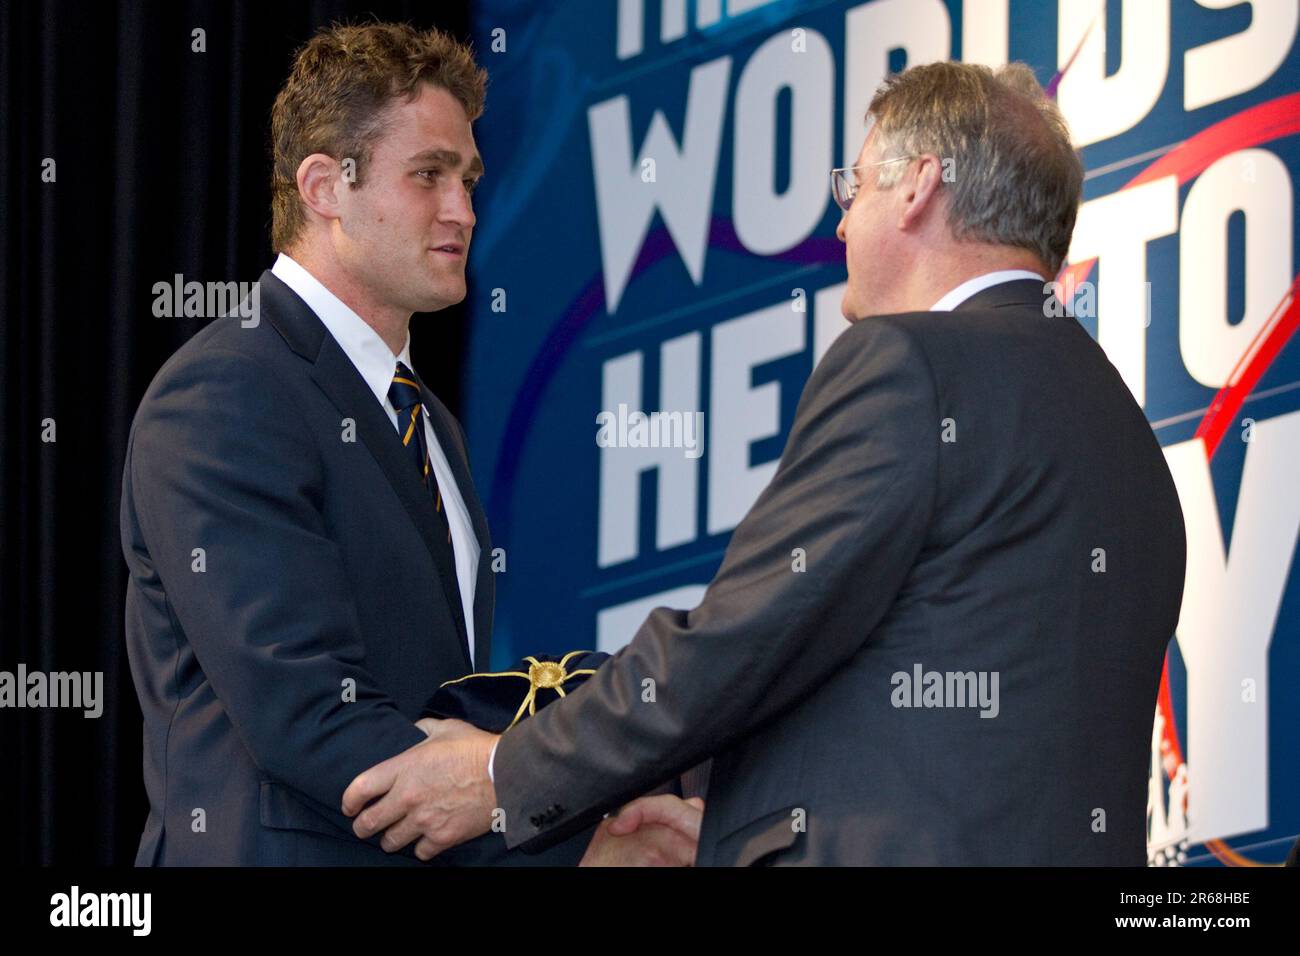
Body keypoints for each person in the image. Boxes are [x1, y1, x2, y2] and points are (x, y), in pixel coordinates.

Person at [344, 61, 1187, 866]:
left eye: (852, 188)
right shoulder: (1127, 439)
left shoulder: (909, 363)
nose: (842, 223)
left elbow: (745, 635)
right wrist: (720, 808)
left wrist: (501, 774)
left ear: (921, 186)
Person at [120, 21, 688, 866]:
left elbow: (440, 705)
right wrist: (556, 835)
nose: (462, 209)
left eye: (467, 178)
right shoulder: (228, 391)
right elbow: (306, 717)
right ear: (324, 187)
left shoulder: (425, 417)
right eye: (428, 175)